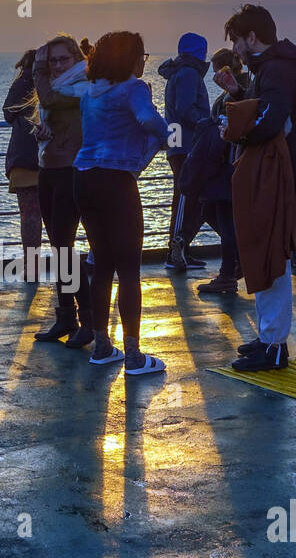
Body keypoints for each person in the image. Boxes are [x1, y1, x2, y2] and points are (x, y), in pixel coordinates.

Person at [72, 30, 170, 376]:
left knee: (102, 266)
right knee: (129, 270)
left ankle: (102, 346)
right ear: (131, 58)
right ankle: (133, 356)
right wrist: (167, 134)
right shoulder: (134, 88)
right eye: (142, 56)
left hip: (84, 179)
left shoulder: (89, 91)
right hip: (117, 182)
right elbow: (146, 120)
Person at [223, 3, 296, 371]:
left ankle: (275, 347)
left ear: (252, 38)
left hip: (279, 178)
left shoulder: (275, 69)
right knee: (267, 255)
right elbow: (275, 111)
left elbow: (271, 120)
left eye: (237, 41)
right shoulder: (279, 67)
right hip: (285, 176)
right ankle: (268, 337)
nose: (235, 49)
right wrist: (240, 89)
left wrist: (235, 129)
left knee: (272, 260)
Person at [31, 33, 94, 348]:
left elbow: (49, 101)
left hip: (73, 171)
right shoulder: (57, 88)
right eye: (51, 60)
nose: (55, 65)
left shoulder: (83, 84)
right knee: (58, 249)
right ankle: (66, 315)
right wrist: (43, 132)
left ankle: (89, 320)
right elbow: (53, 116)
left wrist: (37, 71)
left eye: (61, 59)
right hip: (49, 168)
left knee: (65, 248)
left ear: (77, 58)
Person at [184, 47, 249, 294]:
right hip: (224, 163)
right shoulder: (233, 92)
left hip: (227, 164)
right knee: (215, 211)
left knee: (223, 215)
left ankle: (228, 273)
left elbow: (231, 124)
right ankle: (233, 264)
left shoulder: (236, 92)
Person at [159, 32, 212, 272]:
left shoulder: (180, 73)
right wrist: (209, 123)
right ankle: (175, 252)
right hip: (186, 145)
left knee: (187, 198)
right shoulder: (189, 73)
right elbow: (185, 108)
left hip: (179, 144)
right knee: (184, 198)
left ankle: (182, 251)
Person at [3, 50, 43, 262]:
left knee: (30, 216)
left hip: (25, 158)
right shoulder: (55, 82)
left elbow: (8, 112)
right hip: (53, 159)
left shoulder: (23, 82)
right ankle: (65, 269)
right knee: (57, 218)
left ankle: (31, 265)